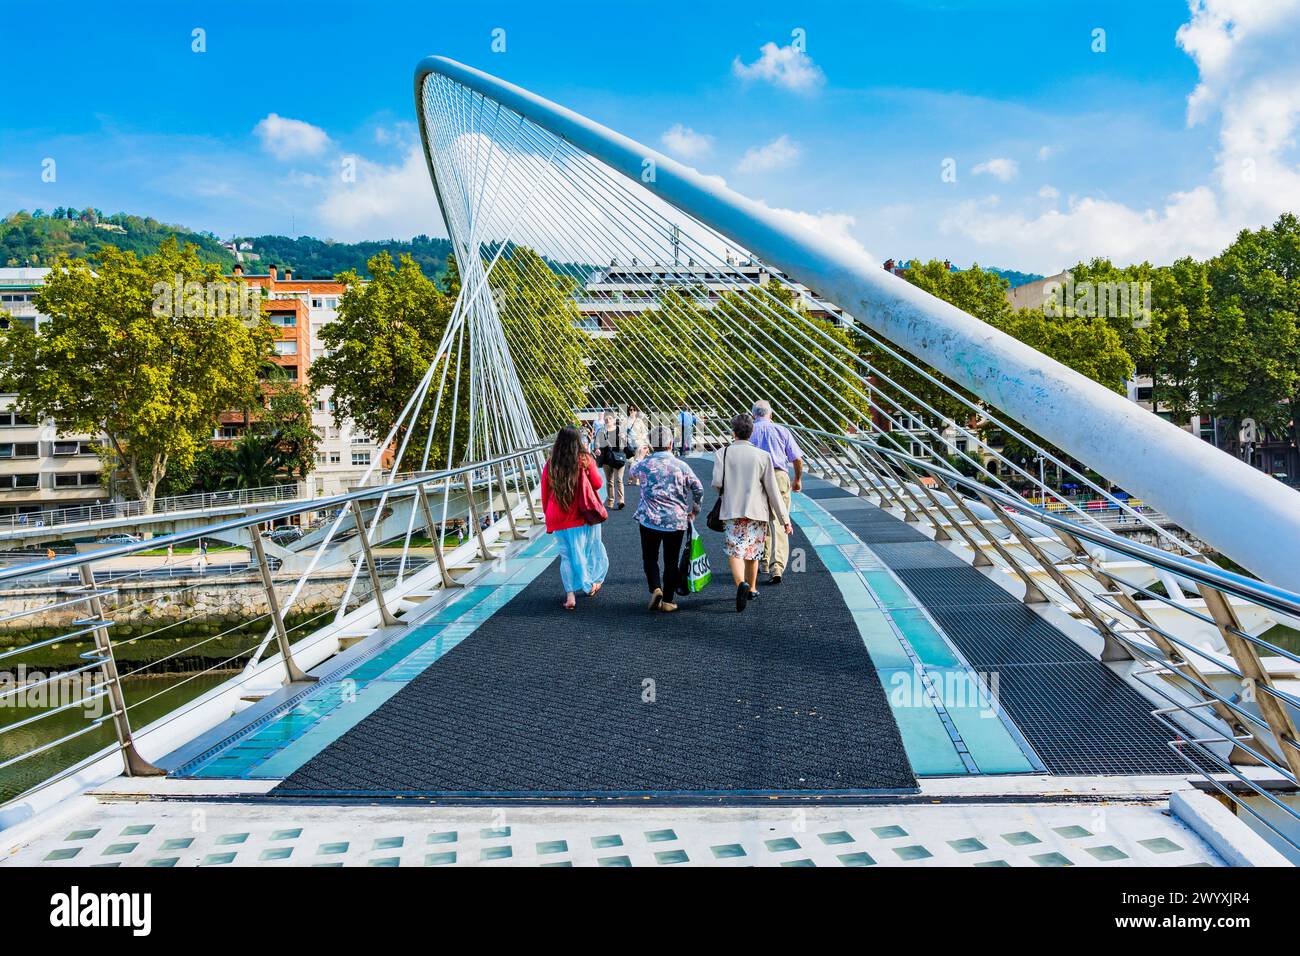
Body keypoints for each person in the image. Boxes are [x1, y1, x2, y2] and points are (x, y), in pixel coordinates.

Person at [713, 413, 792, 612]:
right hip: (757, 511)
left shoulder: (722, 453)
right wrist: (785, 520)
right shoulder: (763, 456)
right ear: (751, 432)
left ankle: (741, 584)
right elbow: (773, 491)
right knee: (753, 551)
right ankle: (752, 588)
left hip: (732, 509)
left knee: (734, 550)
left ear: (733, 432)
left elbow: (717, 483)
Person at [628, 425, 703, 613]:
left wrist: (639, 455)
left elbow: (631, 473)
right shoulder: (681, 466)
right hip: (675, 520)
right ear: (671, 443)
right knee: (671, 561)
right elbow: (698, 489)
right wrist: (695, 509)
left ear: (652, 446)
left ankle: (656, 588)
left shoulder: (644, 464)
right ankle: (668, 601)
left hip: (649, 519)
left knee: (650, 558)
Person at [540, 426, 609, 610]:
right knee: (588, 549)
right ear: (578, 441)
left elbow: (545, 493)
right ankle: (590, 583)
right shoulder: (584, 459)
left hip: (558, 516)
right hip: (581, 513)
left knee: (567, 556)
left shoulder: (550, 463)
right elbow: (598, 483)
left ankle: (570, 596)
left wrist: (548, 517)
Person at [749, 399, 804, 585]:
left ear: (753, 415)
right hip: (779, 476)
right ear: (770, 414)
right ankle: (777, 567)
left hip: (755, 478)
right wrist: (797, 479)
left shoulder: (748, 431)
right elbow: (797, 458)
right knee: (779, 521)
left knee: (760, 520)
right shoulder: (782, 430)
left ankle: (763, 562)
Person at [594, 412, 627, 509]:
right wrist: (597, 449)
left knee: (619, 480)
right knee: (610, 481)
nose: (608, 420)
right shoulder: (601, 430)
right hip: (606, 459)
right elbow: (597, 442)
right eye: (606, 418)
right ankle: (611, 501)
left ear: (614, 419)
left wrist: (624, 438)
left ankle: (621, 501)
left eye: (610, 418)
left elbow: (626, 444)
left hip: (619, 457)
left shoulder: (620, 430)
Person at [625, 405, 650, 483]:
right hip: (629, 443)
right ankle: (630, 477)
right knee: (630, 462)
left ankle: (637, 479)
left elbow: (645, 432)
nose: (632, 411)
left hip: (638, 443)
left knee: (637, 461)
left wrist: (641, 436)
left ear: (636, 411)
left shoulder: (639, 421)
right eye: (630, 410)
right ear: (628, 411)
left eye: (634, 410)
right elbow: (622, 431)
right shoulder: (625, 421)